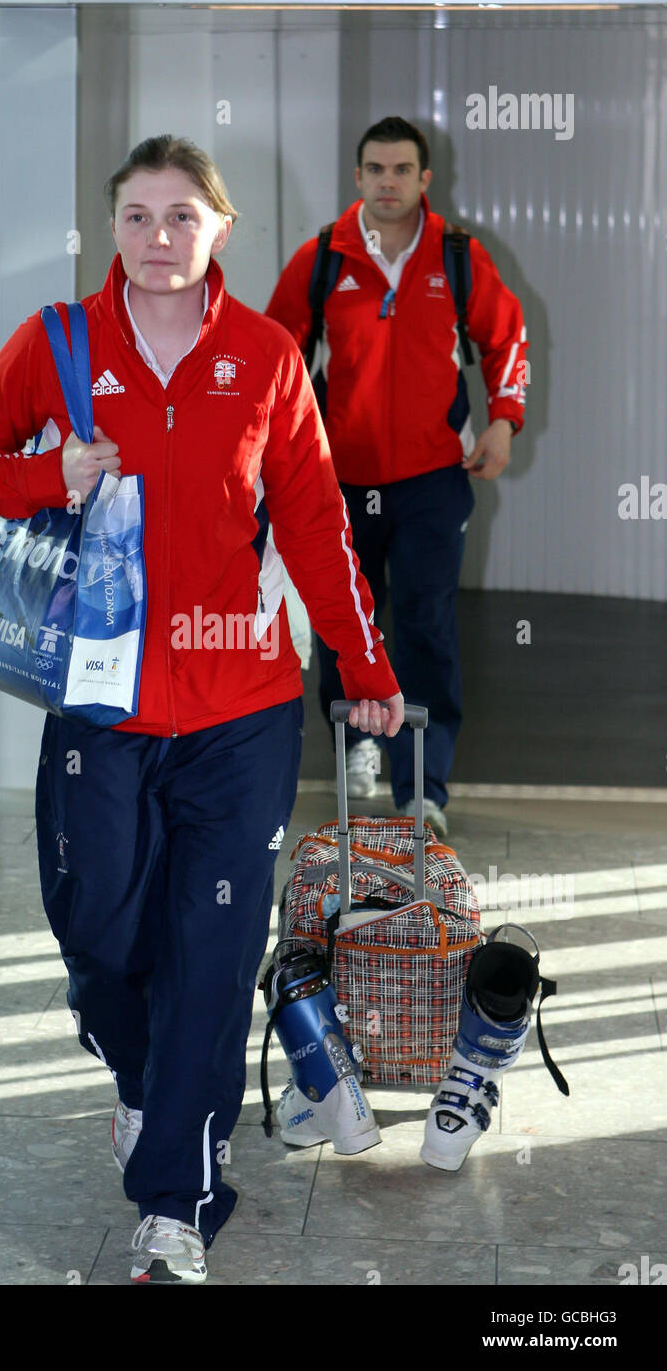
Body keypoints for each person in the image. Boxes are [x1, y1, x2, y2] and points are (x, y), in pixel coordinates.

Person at [0, 134, 404, 1285]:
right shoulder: (58, 342)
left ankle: (175, 1208)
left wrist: (364, 665)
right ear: (111, 232)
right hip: (101, 700)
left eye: (181, 216)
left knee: (208, 951)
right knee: (97, 934)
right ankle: (139, 1076)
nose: (158, 238)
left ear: (219, 230)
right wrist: (56, 476)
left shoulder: (265, 355)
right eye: (137, 217)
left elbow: (311, 520)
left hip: (241, 702)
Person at [265, 116, 528, 835]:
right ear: (358, 178)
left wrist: (504, 418)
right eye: (376, 170)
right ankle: (356, 747)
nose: (388, 182)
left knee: (425, 628)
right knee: (344, 620)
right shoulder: (322, 259)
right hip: (338, 482)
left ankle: (424, 787)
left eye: (402, 170)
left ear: (423, 179)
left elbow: (506, 337)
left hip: (431, 479)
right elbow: (276, 355)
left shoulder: (458, 258)